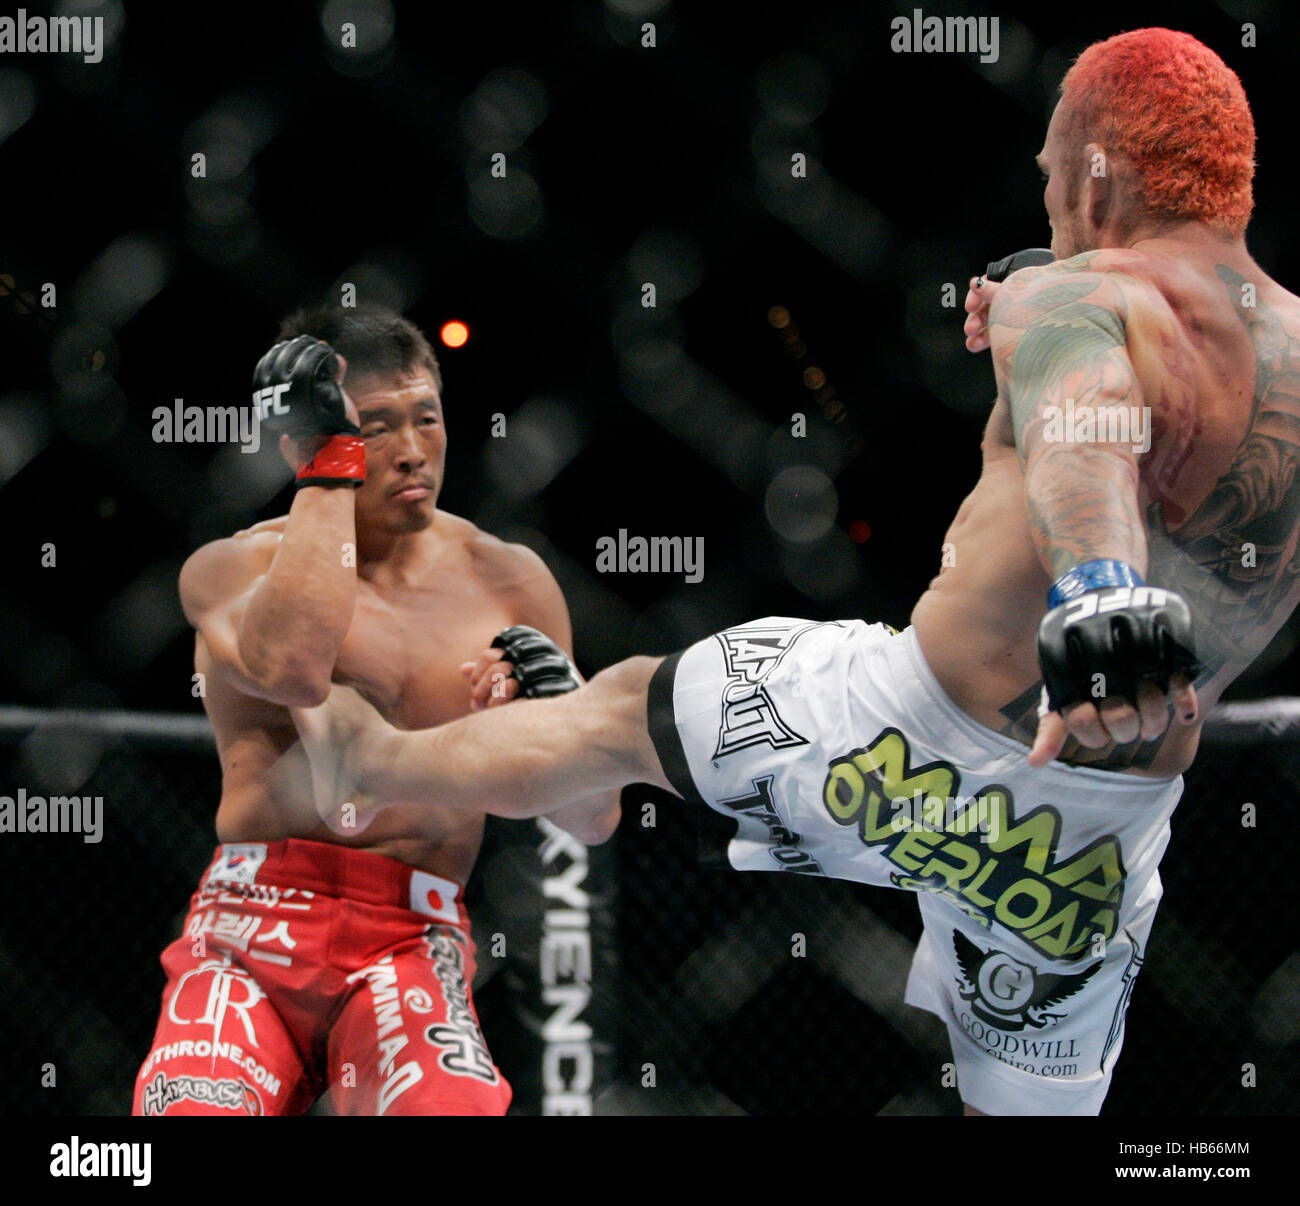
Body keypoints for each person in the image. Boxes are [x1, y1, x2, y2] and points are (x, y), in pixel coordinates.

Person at [293, 28, 1300, 1115]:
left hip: (906, 734)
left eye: (1053, 177)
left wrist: (1099, 589)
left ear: (1098, 171)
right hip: (1093, 835)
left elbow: (1084, 425)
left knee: (627, 707)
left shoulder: (1071, 302)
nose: (1048, 204)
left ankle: (384, 764)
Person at [133, 303, 618, 1117]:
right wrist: (328, 466)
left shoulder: (511, 582)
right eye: (376, 426)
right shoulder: (230, 571)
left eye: (426, 418)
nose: (411, 449)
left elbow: (594, 818)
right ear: (304, 441)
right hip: (253, 923)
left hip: (411, 932)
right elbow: (292, 669)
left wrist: (552, 715)